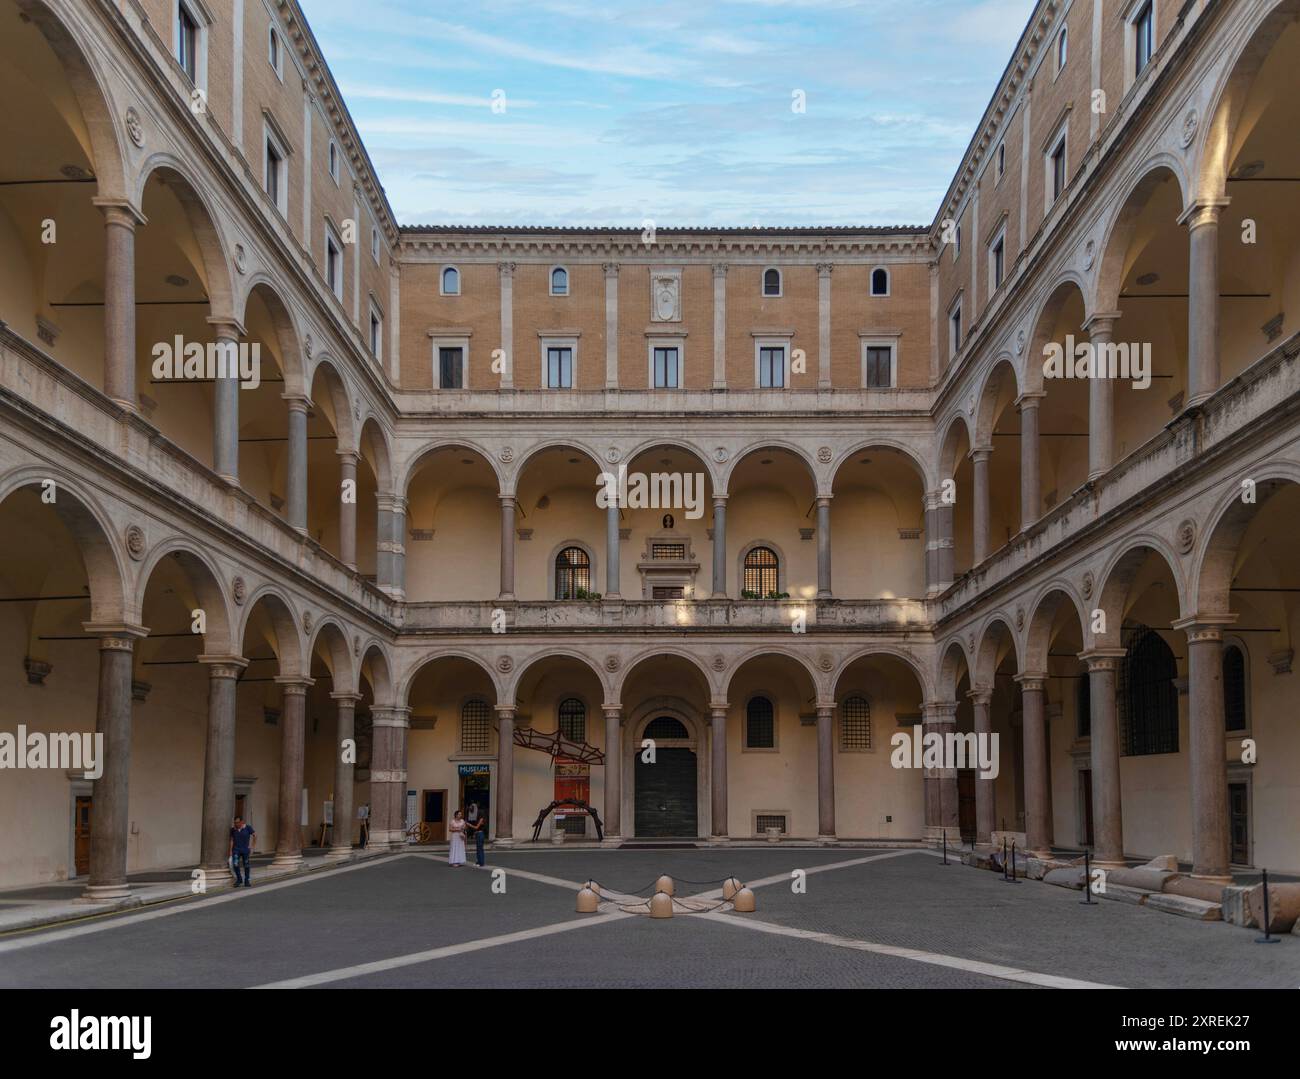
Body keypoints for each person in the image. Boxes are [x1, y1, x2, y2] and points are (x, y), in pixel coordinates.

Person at [229, 816, 256, 888]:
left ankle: (247, 880)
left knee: (246, 865)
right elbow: (231, 840)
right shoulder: (233, 830)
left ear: (242, 822)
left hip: (245, 850)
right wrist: (230, 851)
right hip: (236, 850)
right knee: (235, 864)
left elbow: (255, 835)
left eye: (238, 822)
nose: (236, 824)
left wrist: (252, 846)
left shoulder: (248, 827)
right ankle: (239, 879)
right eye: (235, 823)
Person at [466, 801, 486, 868]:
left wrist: (469, 825)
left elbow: (477, 827)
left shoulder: (481, 819)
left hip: (480, 834)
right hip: (477, 833)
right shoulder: (477, 818)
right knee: (478, 849)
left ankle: (481, 863)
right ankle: (478, 861)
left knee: (480, 849)